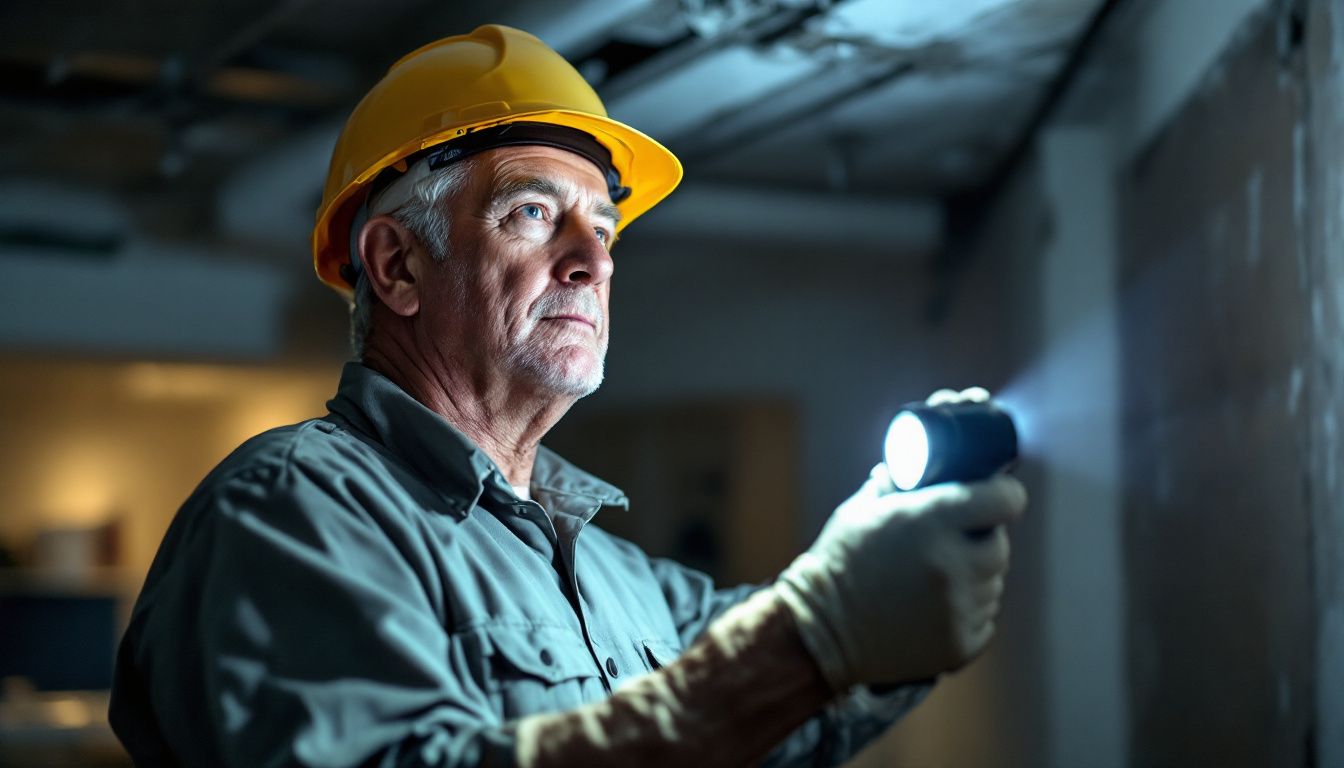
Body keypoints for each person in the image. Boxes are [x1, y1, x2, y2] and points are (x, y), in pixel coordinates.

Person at [109, 25, 1027, 767]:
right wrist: (810, 641)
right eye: (534, 214)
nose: (592, 262)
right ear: (396, 266)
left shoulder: (619, 578)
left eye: (605, 228)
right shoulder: (293, 510)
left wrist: (896, 560)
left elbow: (774, 717)